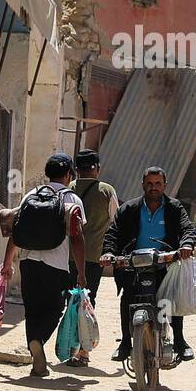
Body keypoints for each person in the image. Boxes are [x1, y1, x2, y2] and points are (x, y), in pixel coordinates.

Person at [1, 154, 86, 378]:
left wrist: (7, 262)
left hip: (28, 262)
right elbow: (77, 238)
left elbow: (15, 232)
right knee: (55, 308)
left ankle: (34, 350)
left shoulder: (32, 195)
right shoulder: (72, 200)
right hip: (55, 264)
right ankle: (38, 340)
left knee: (32, 308)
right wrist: (82, 273)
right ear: (69, 174)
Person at [101, 166, 196, 362]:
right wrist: (109, 253)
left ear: (165, 186)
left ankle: (179, 341)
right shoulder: (128, 208)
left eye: (158, 184)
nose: (153, 187)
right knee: (128, 298)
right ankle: (126, 342)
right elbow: (113, 232)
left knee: (168, 300)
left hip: (164, 263)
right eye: (149, 184)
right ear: (143, 185)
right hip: (133, 265)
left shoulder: (175, 207)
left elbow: (187, 228)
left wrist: (186, 244)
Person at [70, 149, 118, 366]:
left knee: (70, 300)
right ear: (97, 168)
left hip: (69, 256)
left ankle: (71, 345)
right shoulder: (107, 191)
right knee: (88, 301)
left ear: (77, 169)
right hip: (94, 256)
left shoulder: (69, 189)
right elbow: (116, 219)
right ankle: (83, 351)